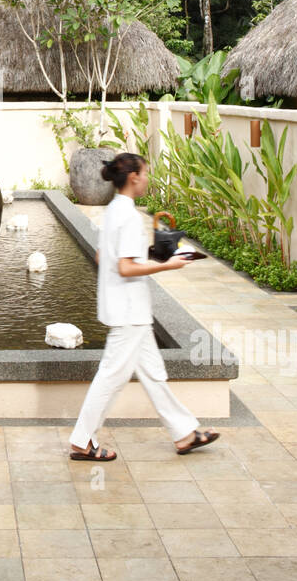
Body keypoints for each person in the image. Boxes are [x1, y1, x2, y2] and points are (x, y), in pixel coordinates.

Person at [68, 152, 219, 462]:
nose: (147, 179)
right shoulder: (128, 216)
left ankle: (185, 434)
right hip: (128, 312)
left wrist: (147, 253)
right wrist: (168, 265)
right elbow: (125, 268)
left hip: (129, 309)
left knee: (153, 374)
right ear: (134, 177)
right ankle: (82, 441)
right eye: (145, 173)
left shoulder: (113, 211)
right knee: (111, 376)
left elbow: (103, 258)